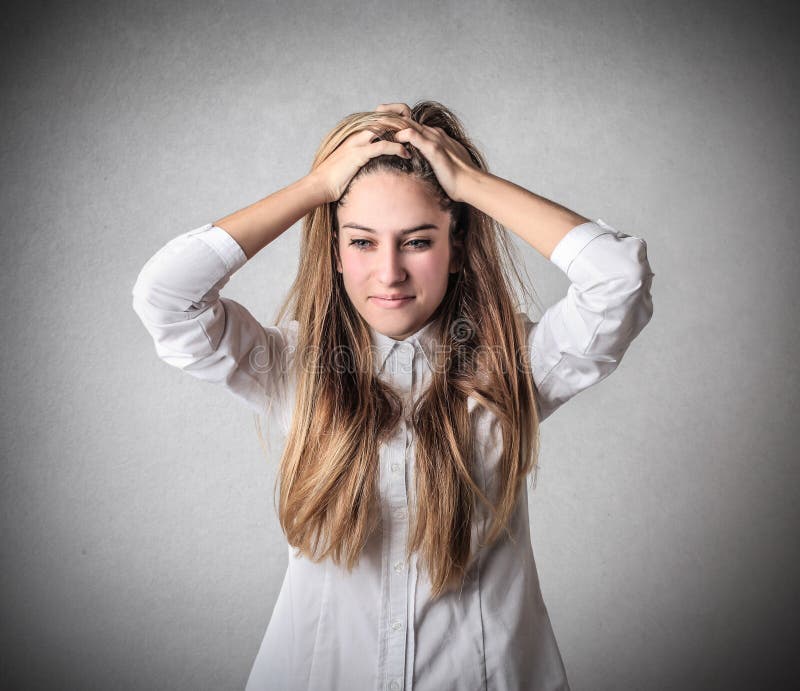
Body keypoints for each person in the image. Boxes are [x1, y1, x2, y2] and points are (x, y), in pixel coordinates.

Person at [131, 100, 654, 691]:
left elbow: (620, 281)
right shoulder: (291, 367)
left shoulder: (515, 368)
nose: (389, 273)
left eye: (417, 241)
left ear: (456, 247)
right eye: (360, 243)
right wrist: (315, 187)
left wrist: (472, 185)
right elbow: (166, 299)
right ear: (334, 250)